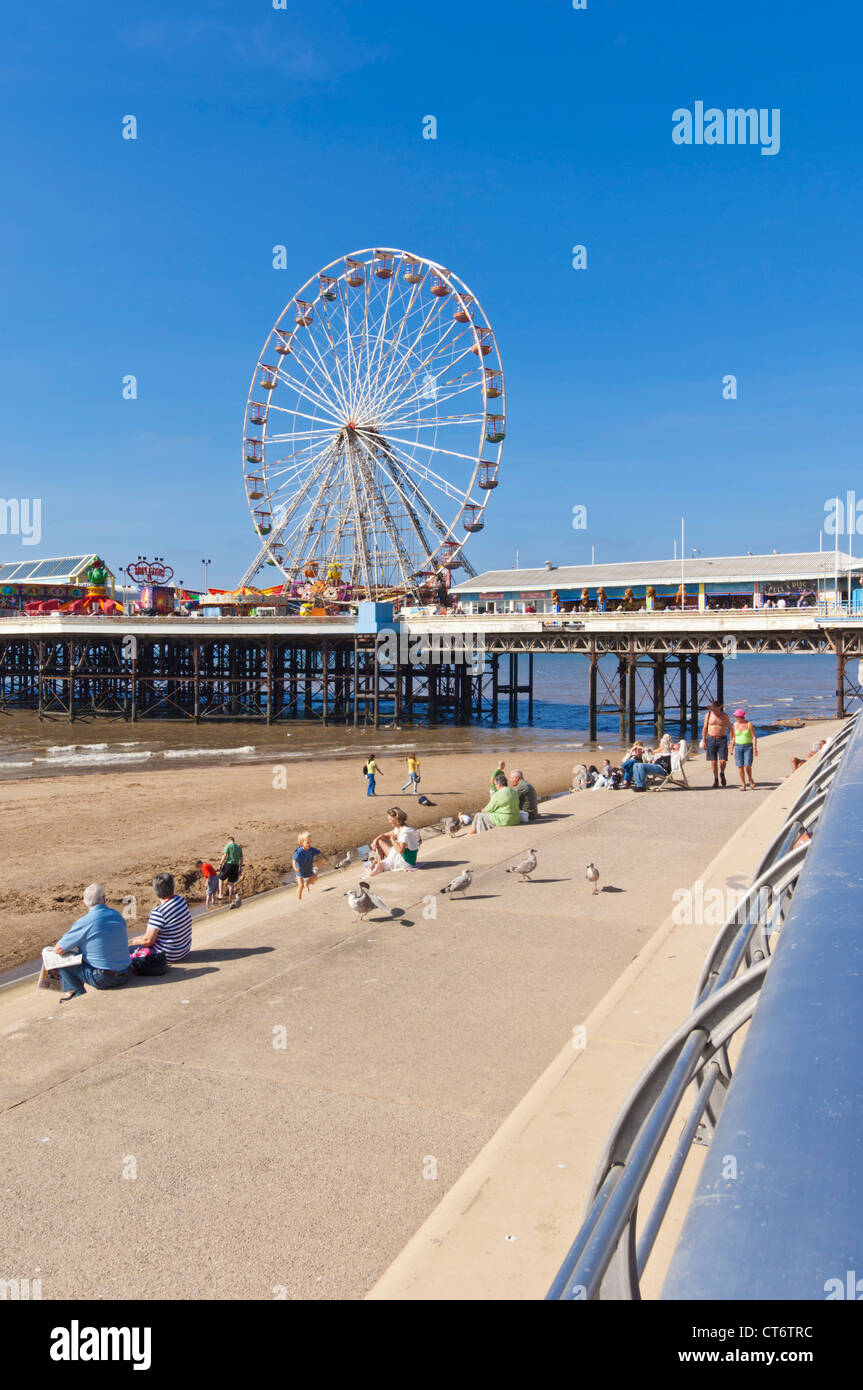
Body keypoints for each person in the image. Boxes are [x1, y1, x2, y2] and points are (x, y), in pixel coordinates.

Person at [52, 883, 132, 1003]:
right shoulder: (117, 915)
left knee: (60, 960)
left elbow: (59, 949)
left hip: (105, 978)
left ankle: (77, 994)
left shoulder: (85, 922)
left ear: (84, 902)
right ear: (104, 899)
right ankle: (74, 992)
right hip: (126, 972)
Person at [132, 873, 193, 962]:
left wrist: (136, 941)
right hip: (184, 949)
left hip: (170, 955)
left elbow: (148, 941)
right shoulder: (180, 900)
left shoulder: (158, 912)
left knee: (132, 950)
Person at [368, 807, 420, 873]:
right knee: (379, 841)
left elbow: (400, 850)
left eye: (390, 819)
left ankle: (380, 864)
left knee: (375, 869)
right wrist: (375, 840)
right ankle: (379, 862)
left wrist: (392, 840)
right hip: (400, 856)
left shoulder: (404, 833)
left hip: (405, 861)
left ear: (396, 819)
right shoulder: (399, 828)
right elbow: (384, 835)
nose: (389, 822)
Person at [701, 700, 733, 788]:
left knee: (722, 761)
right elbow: (705, 728)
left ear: (720, 708)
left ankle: (722, 773)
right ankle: (716, 779)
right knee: (713, 762)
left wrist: (731, 742)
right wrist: (703, 740)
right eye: (713, 710)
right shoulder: (708, 715)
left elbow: (730, 729)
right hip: (711, 739)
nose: (714, 711)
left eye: (716, 709)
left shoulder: (725, 716)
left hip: (722, 739)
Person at [293, 832, 327, 900]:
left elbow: (319, 852)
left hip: (308, 870)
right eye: (307, 842)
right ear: (302, 842)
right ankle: (299, 896)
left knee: (314, 877)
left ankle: (307, 883)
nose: (310, 844)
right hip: (300, 872)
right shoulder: (300, 851)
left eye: (310, 842)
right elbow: (294, 860)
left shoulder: (311, 849)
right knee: (301, 885)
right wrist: (295, 867)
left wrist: (324, 857)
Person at [731, 708, 758, 790]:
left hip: (748, 747)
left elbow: (754, 737)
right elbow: (734, 737)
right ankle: (743, 784)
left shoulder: (749, 724)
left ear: (741, 716)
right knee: (740, 766)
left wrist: (754, 748)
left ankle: (750, 779)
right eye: (735, 716)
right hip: (738, 747)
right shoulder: (735, 724)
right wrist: (731, 747)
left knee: (747, 766)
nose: (735, 718)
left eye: (737, 716)